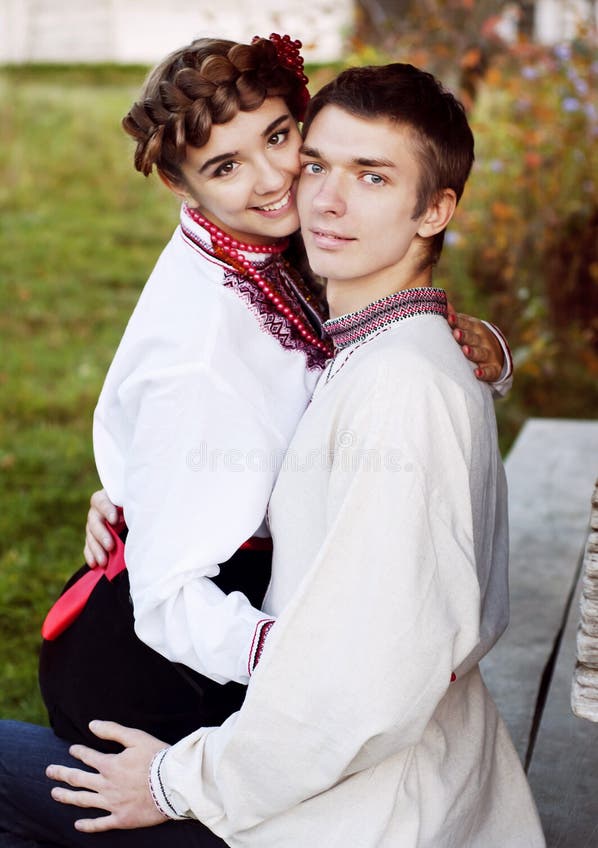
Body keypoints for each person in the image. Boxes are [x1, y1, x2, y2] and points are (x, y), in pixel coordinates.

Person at [0, 60, 548, 848]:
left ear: (435, 208)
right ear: (187, 192)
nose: (308, 194)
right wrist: (152, 492)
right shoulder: (367, 337)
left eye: (366, 174)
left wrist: (174, 781)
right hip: (246, 706)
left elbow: (358, 680)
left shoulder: (399, 379)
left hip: (341, 835)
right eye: (320, 165)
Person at [37, 33, 511, 754]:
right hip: (171, 655)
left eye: (282, 138)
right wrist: (306, 661)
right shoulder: (202, 352)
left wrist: (482, 348)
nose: (274, 180)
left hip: (238, 583)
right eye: (226, 166)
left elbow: (373, 344)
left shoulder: (280, 239)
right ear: (180, 185)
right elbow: (169, 598)